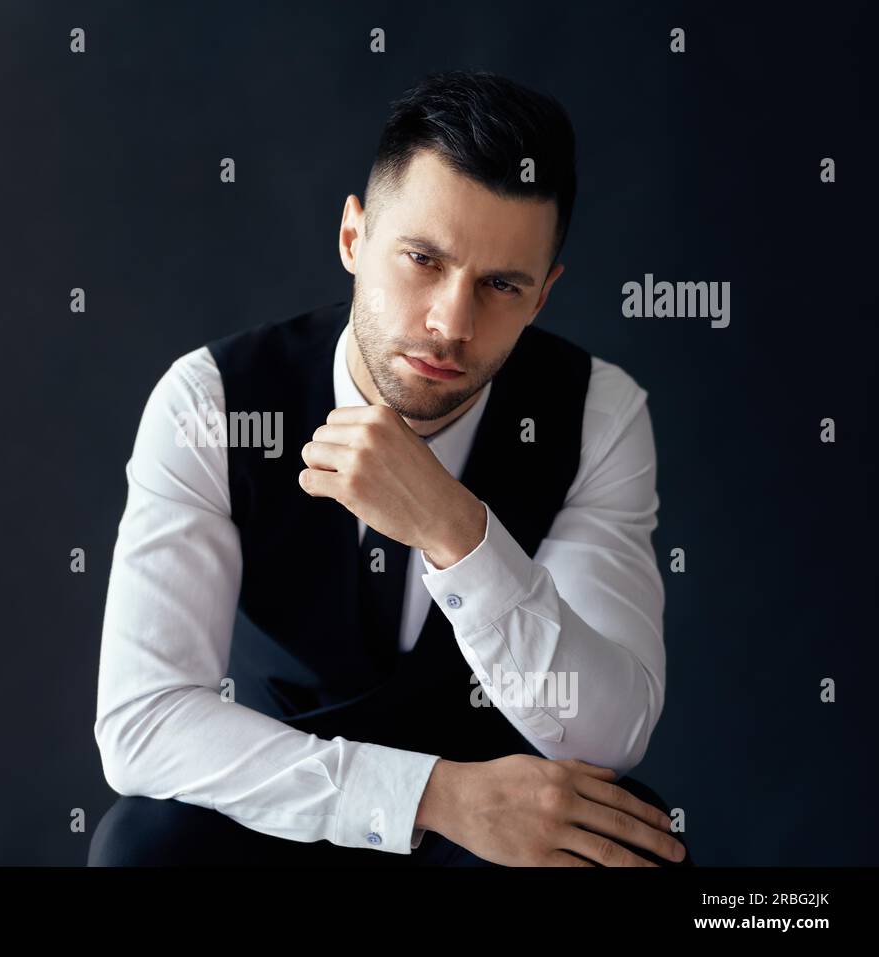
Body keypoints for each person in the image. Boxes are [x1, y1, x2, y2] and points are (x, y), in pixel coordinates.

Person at [91, 70, 690, 867]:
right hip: (284, 807)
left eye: (501, 285)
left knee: (625, 845)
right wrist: (430, 793)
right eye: (422, 259)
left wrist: (454, 528)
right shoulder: (210, 400)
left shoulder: (596, 411)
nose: (450, 322)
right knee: (142, 845)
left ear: (543, 295)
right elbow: (144, 722)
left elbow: (608, 734)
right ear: (353, 238)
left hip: (497, 833)